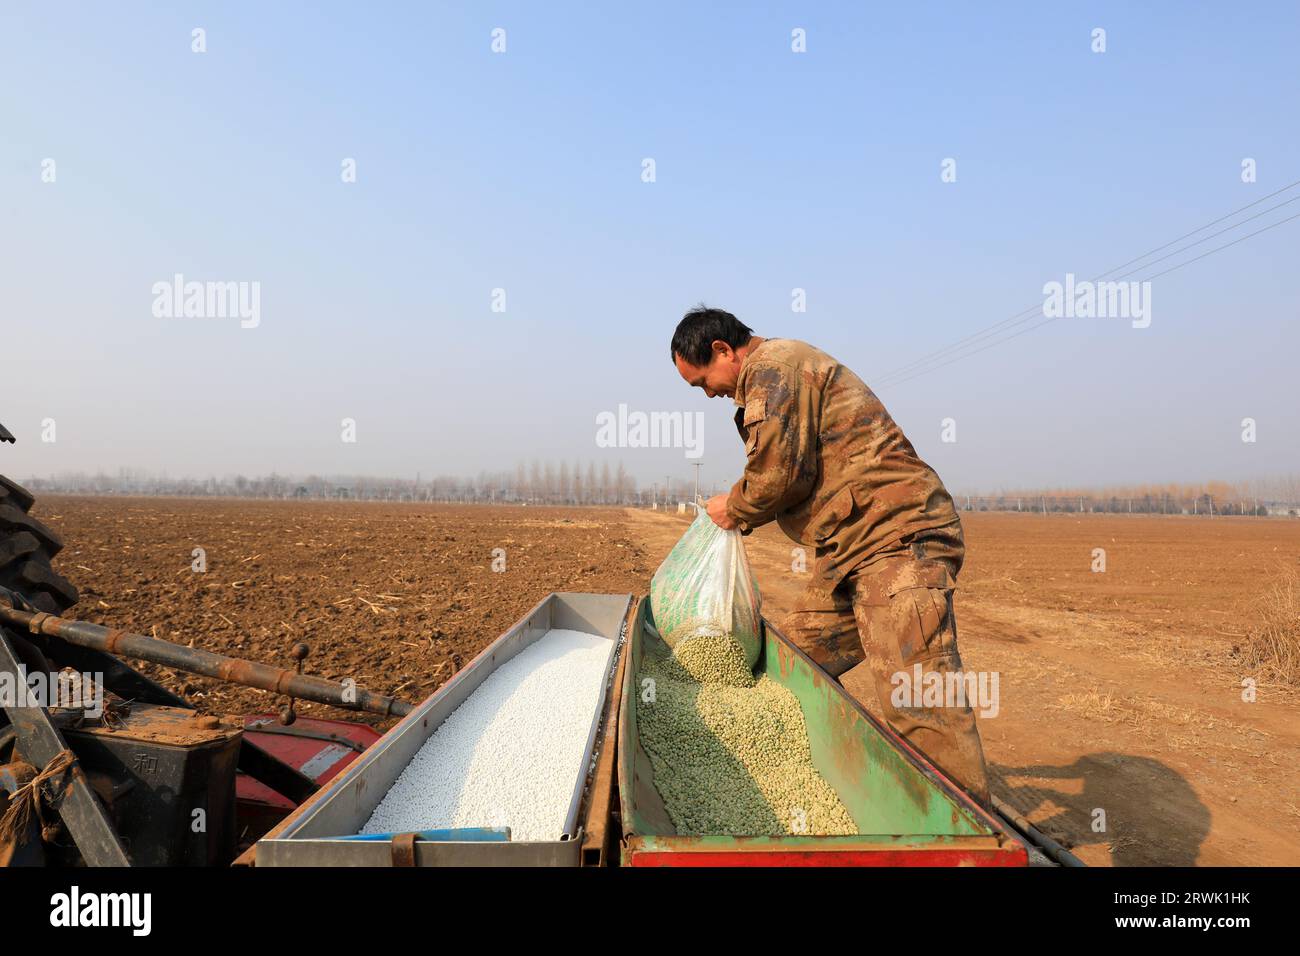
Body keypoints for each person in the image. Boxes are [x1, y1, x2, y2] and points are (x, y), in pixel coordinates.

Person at [671, 306, 992, 808]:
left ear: (722, 350)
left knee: (920, 699)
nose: (709, 393)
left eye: (702, 382)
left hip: (895, 540)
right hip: (850, 550)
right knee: (792, 660)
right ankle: (778, 779)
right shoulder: (771, 371)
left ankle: (963, 839)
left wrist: (731, 508)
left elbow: (779, 474)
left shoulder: (775, 366)